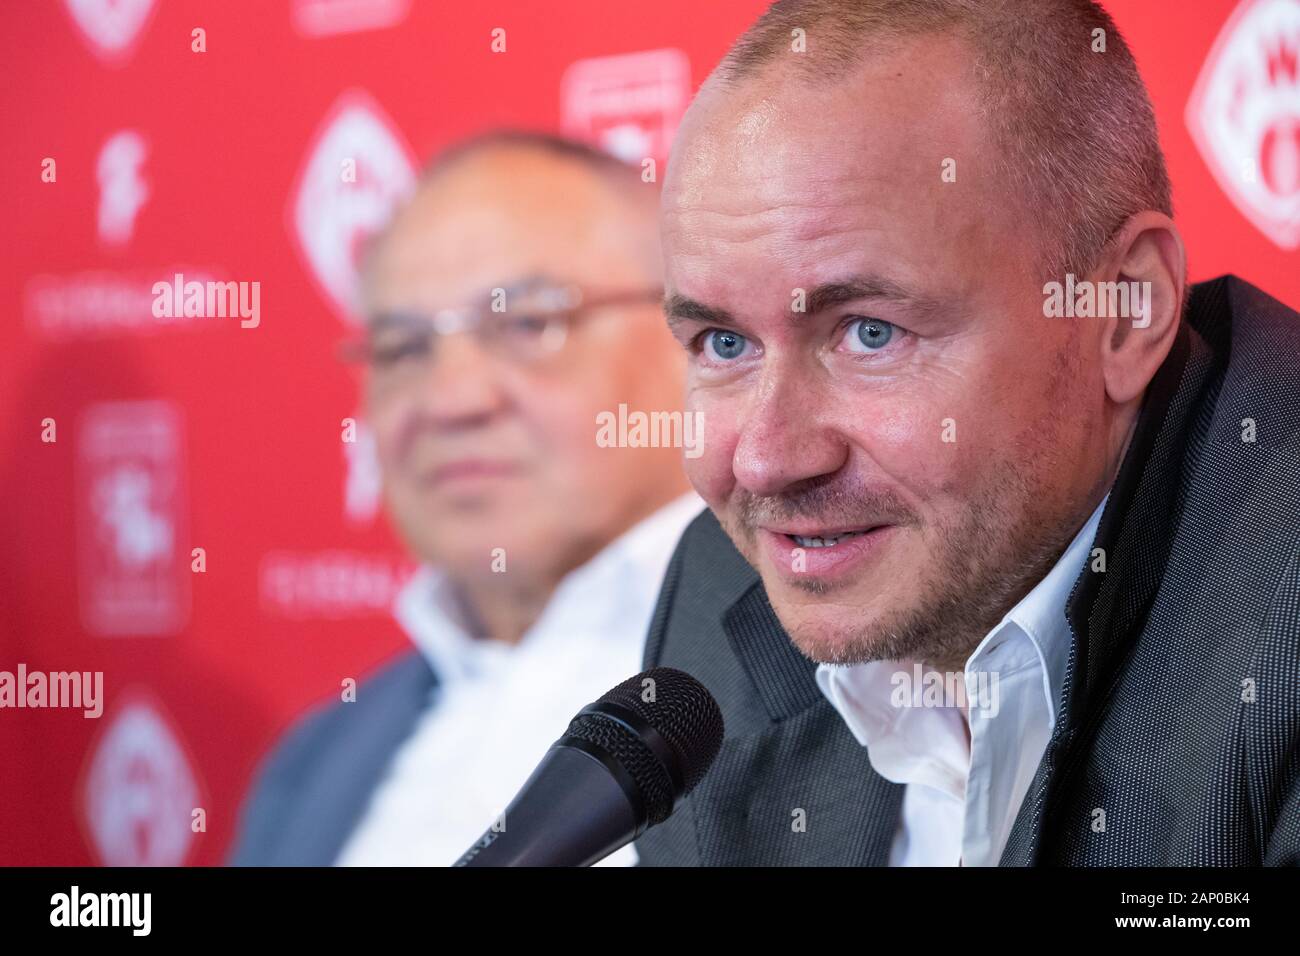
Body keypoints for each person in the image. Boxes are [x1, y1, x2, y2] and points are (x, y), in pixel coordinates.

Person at [635, 0, 1300, 866]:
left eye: (870, 332)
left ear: (1124, 312)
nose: (766, 460)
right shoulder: (724, 595)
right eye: (723, 344)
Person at [231, 131, 700, 866]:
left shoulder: (846, 692)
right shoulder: (311, 765)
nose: (450, 400)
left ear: (691, 335)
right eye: (403, 348)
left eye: (528, 324)